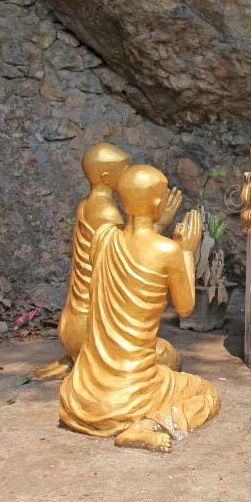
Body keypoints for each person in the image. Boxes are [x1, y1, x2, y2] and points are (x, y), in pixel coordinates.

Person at [59, 165, 219, 452]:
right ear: (158, 204)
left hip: (81, 396)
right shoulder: (167, 251)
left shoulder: (103, 238)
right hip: (129, 395)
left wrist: (160, 227)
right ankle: (149, 426)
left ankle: (127, 410)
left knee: (168, 357)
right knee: (206, 394)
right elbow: (185, 308)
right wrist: (186, 251)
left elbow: (132, 253)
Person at [30, 143, 181, 381]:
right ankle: (90, 362)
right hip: (89, 327)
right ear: (107, 178)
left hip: (71, 322)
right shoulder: (107, 213)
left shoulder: (86, 204)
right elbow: (126, 252)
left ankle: (79, 359)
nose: (130, 174)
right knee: (168, 357)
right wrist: (161, 225)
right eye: (125, 169)